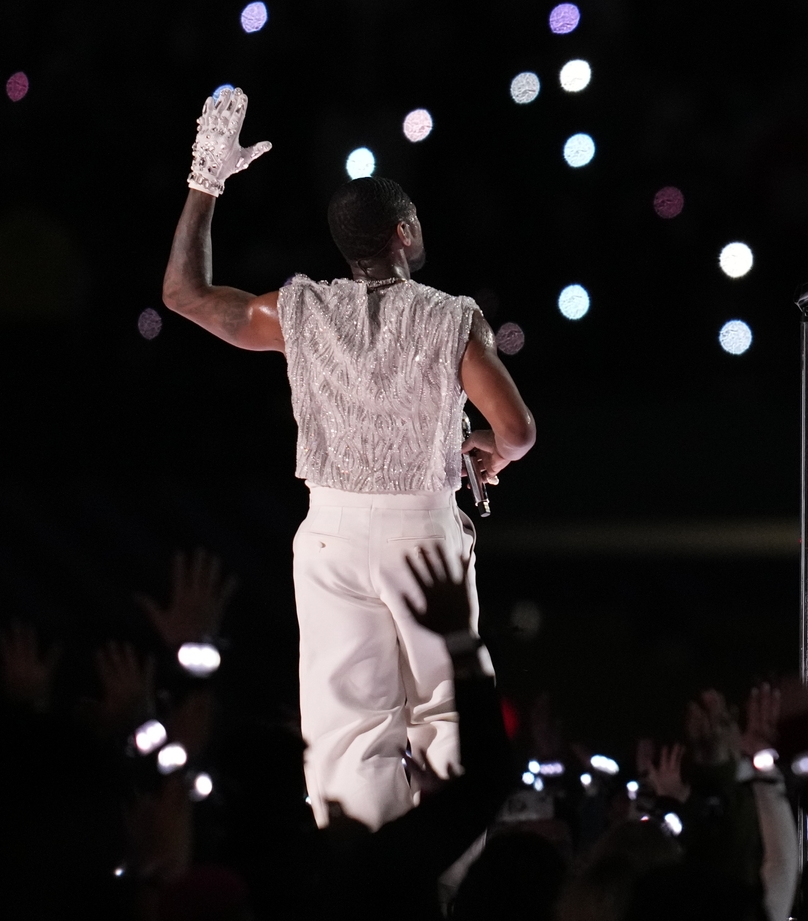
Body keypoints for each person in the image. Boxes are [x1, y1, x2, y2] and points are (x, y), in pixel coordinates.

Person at [161, 87, 535, 829]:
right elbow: (517, 429)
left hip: (329, 535)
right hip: (420, 533)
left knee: (347, 734)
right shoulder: (449, 316)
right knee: (449, 709)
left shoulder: (295, 311)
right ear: (404, 232)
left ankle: (370, 882)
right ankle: (449, 878)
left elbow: (183, 293)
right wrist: (492, 453)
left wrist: (206, 182)